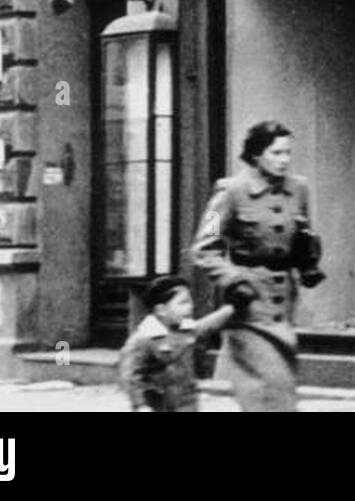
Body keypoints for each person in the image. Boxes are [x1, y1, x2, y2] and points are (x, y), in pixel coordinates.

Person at [192, 121, 324, 412]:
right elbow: (204, 247)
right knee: (268, 387)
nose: (284, 160)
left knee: (281, 387)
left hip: (284, 306)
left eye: (288, 153)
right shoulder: (230, 192)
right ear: (256, 154)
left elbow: (303, 237)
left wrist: (307, 262)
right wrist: (232, 280)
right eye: (276, 153)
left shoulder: (299, 189)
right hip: (248, 304)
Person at [118, 275, 234, 412]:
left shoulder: (185, 330)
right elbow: (130, 375)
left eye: (190, 301)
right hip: (157, 405)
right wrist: (140, 404)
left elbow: (207, 325)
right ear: (161, 310)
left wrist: (231, 309)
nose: (190, 307)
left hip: (186, 403)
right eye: (183, 303)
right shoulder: (143, 338)